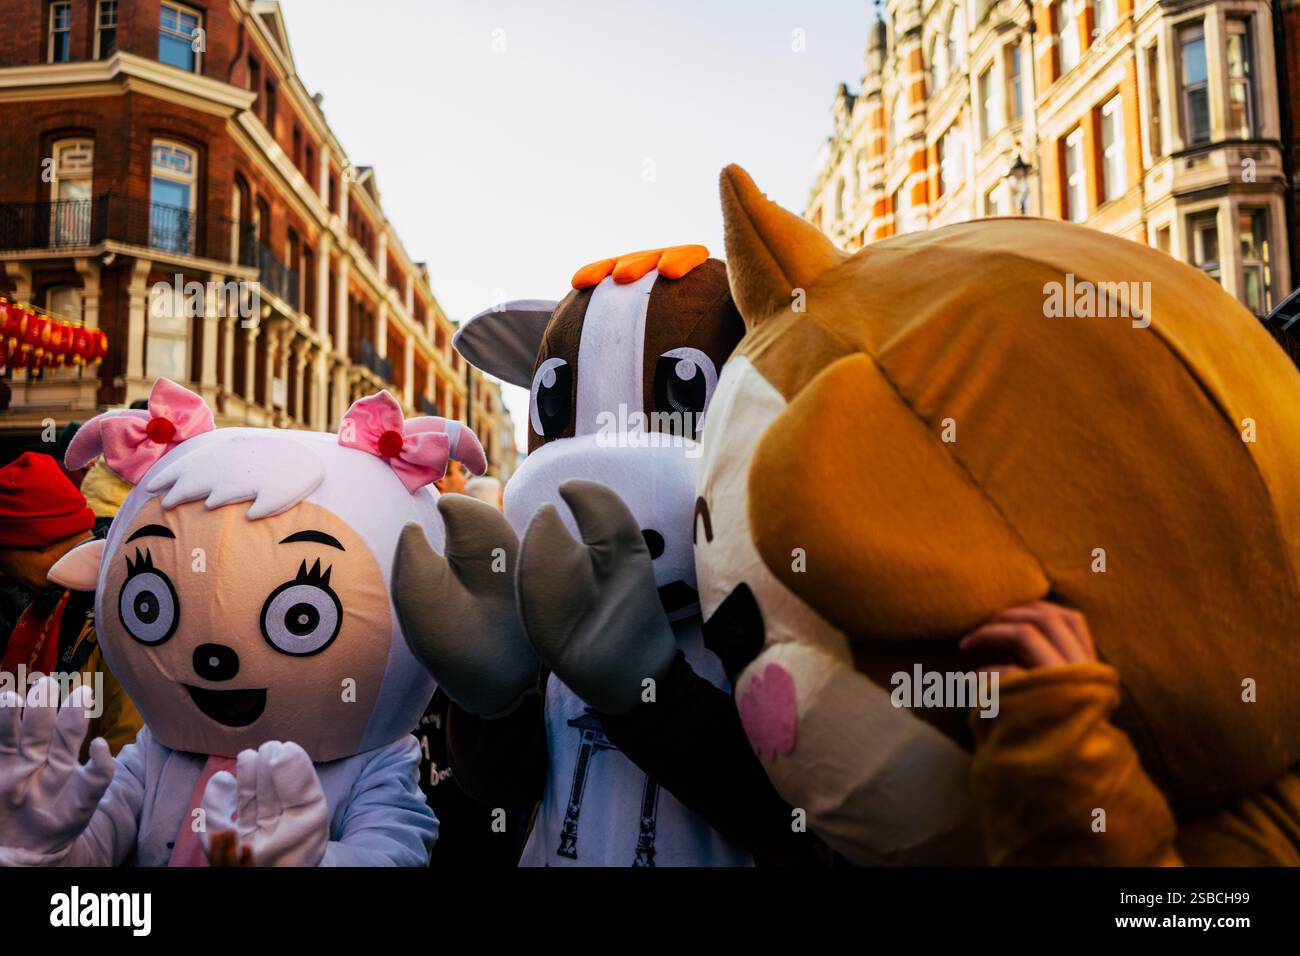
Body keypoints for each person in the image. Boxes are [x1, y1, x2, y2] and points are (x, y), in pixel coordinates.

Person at [0, 452, 141, 756]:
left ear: (36, 542)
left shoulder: (118, 609)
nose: (2, 572)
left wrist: (82, 800)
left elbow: (127, 745)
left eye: (3, 552)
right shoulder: (45, 603)